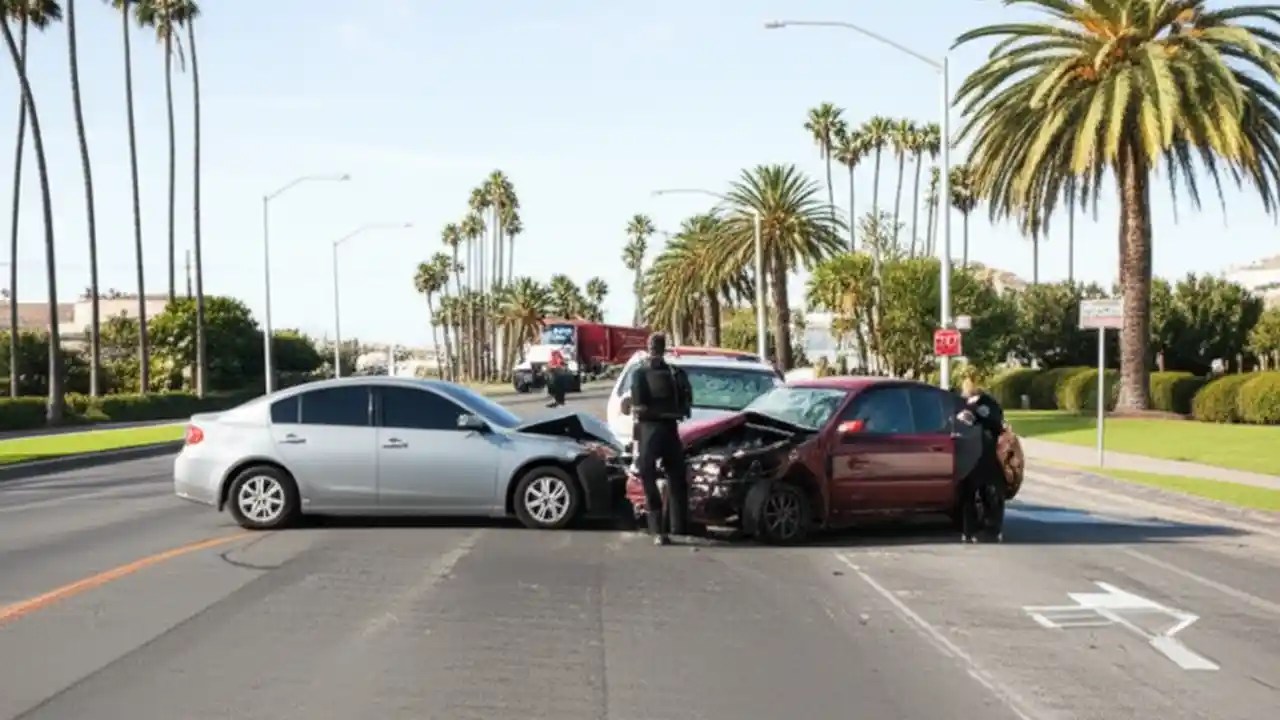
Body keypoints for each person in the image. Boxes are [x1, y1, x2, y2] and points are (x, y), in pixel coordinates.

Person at [630, 332, 693, 545]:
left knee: (650, 475)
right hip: (669, 428)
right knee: (676, 476)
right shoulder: (675, 373)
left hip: (650, 430)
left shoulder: (641, 373)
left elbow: (638, 404)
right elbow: (686, 404)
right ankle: (677, 526)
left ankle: (659, 529)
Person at [957, 377, 1006, 543]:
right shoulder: (960, 402)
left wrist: (980, 414)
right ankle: (970, 530)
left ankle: (991, 529)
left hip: (986, 454)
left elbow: (997, 424)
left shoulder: (988, 404)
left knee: (989, 493)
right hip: (970, 454)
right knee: (969, 495)